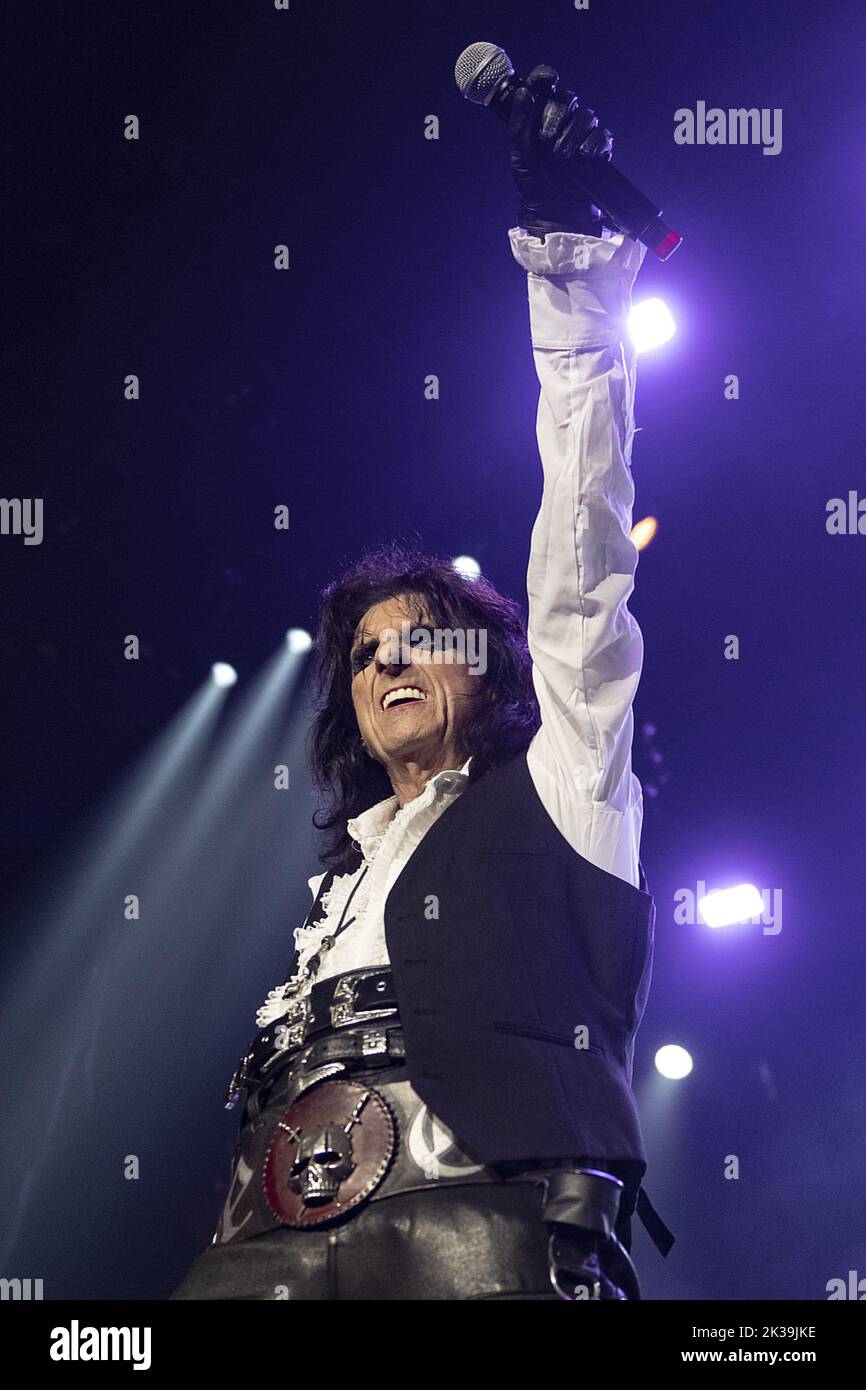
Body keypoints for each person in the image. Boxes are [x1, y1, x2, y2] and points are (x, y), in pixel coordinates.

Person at [171, 65, 672, 1302]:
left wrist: (567, 284)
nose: (385, 658)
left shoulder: (560, 780)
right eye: (359, 651)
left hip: (475, 1243)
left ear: (484, 665)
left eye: (417, 637)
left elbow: (577, 562)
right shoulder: (341, 872)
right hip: (265, 1251)